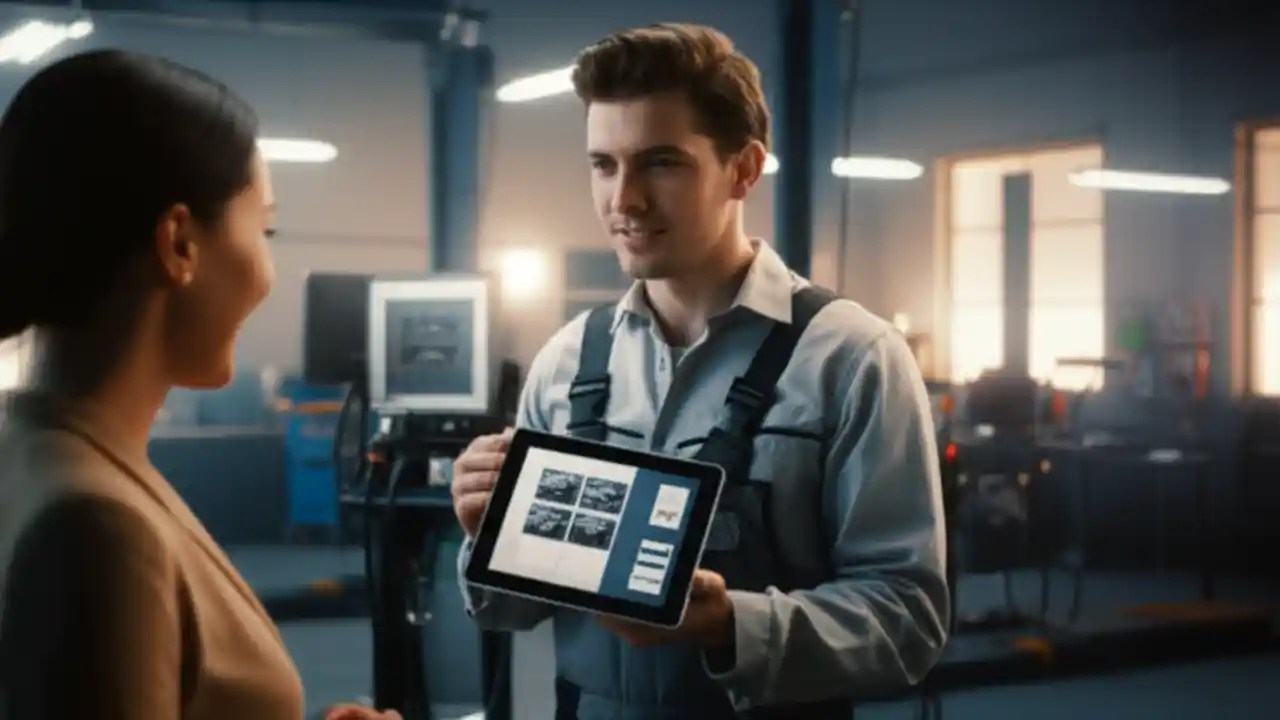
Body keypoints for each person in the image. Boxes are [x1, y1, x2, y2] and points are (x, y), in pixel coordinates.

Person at [452, 22, 949, 719]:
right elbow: (515, 609)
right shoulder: (565, 363)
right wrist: (487, 529)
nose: (624, 200)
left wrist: (730, 624)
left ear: (744, 169)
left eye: (661, 163)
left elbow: (908, 618)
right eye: (603, 164)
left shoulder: (851, 359)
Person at [0, 49, 396, 720]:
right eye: (264, 228)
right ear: (179, 243)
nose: (269, 270)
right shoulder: (100, 528)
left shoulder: (32, 451)